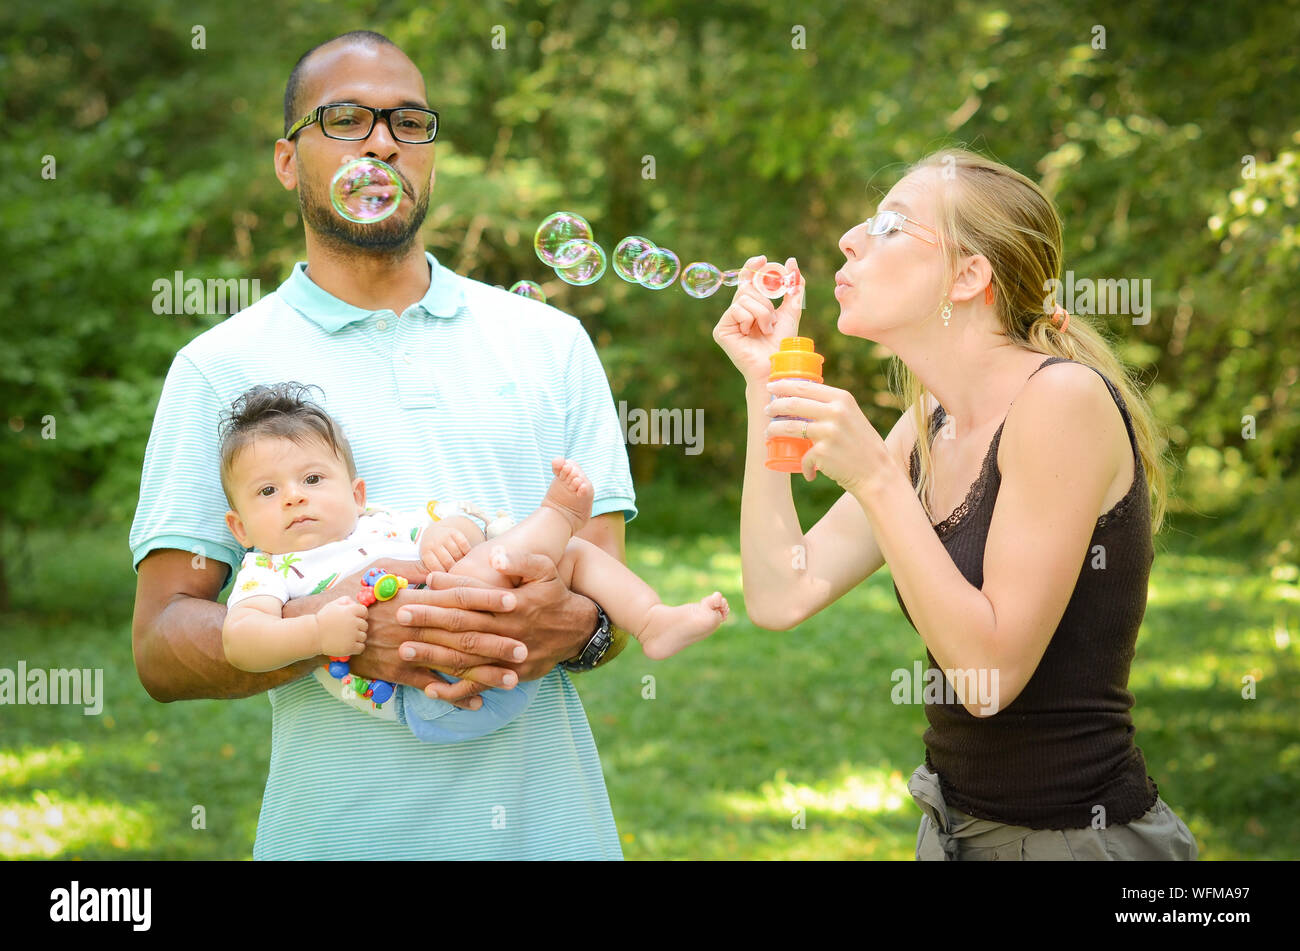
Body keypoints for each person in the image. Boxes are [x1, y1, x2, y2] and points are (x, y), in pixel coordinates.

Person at [130, 30, 638, 859]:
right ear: (288, 163)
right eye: (345, 118)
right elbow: (160, 645)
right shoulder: (216, 368)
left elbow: (609, 603)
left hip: (551, 835)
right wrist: (331, 625)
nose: (383, 139)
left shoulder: (551, 341)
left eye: (409, 121)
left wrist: (567, 628)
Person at [713, 147, 1198, 860]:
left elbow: (990, 678)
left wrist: (877, 479)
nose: (850, 238)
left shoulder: (1060, 400)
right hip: (954, 833)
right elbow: (781, 591)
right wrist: (765, 390)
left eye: (889, 225)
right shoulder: (928, 425)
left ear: (970, 275)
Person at [218, 382, 728, 743]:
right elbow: (241, 642)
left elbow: (465, 522)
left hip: (510, 671)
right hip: (426, 692)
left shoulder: (382, 522)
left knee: (567, 556)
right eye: (267, 491)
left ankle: (651, 619)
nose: (293, 499)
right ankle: (552, 517)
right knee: (478, 573)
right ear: (240, 528)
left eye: (312, 480)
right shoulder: (269, 569)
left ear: (356, 493)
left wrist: (451, 531)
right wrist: (314, 634)